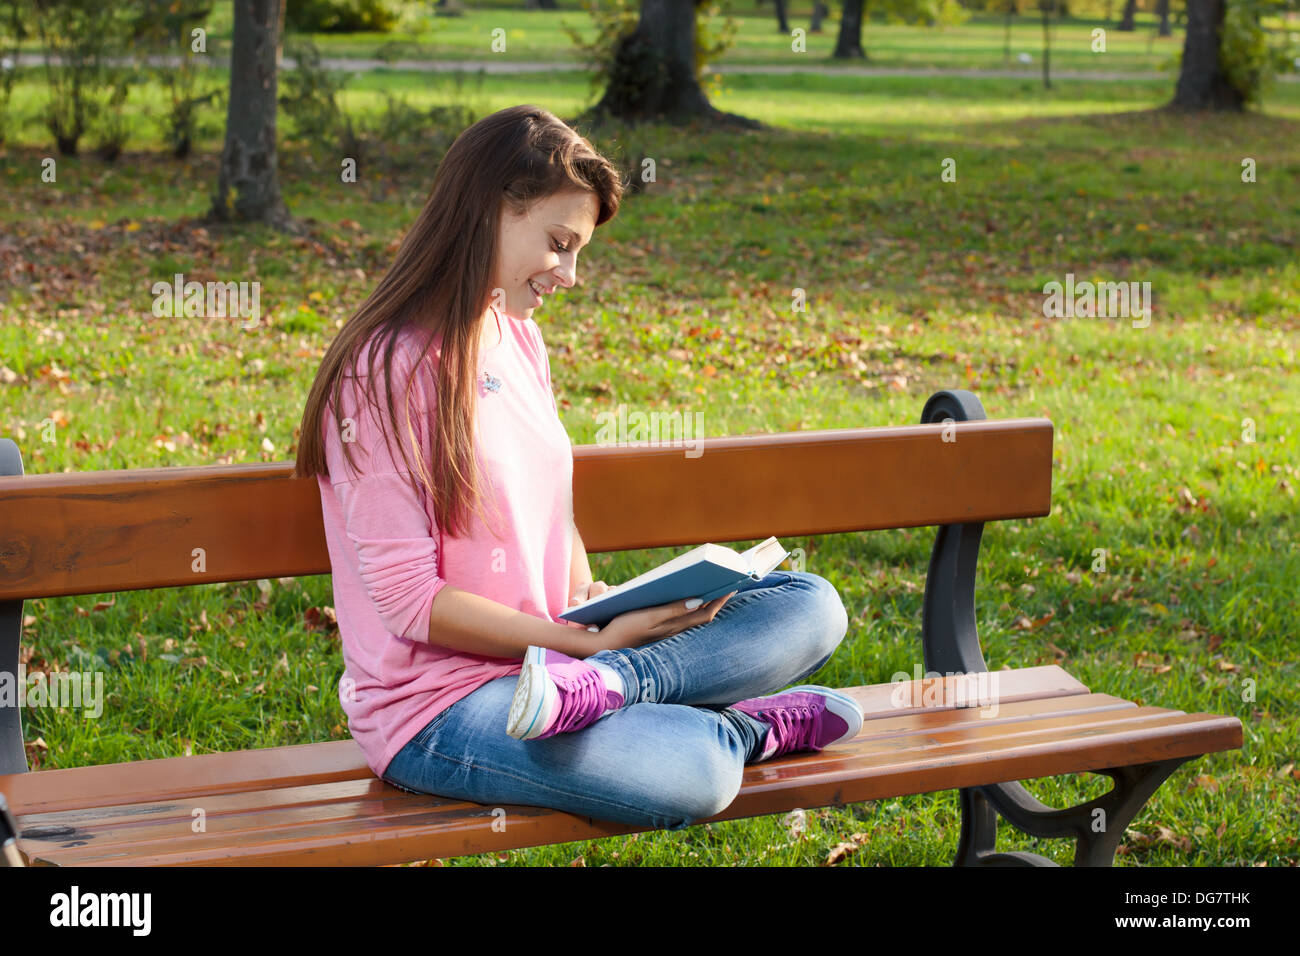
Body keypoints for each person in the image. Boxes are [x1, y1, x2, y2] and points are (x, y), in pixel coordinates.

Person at [292, 105, 863, 833]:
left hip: (569, 662)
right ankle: (740, 729)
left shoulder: (518, 341)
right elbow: (411, 602)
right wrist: (580, 641)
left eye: (579, 251)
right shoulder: (381, 372)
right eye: (559, 244)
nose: (570, 274)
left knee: (812, 604)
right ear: (492, 209)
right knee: (697, 769)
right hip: (440, 708)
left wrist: (597, 607)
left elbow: (551, 514)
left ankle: (619, 687)